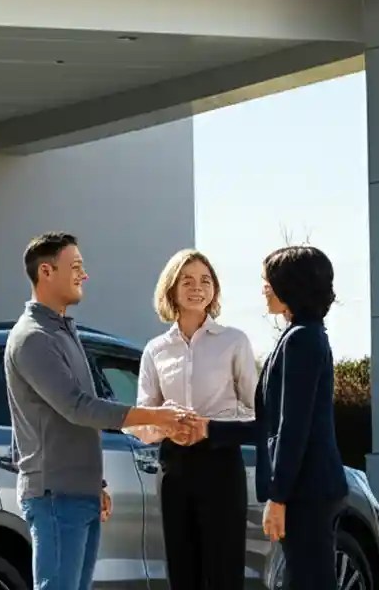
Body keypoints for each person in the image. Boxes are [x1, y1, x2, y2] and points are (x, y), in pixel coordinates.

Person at [5, 232, 198, 590]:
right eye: (75, 266)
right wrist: (156, 416)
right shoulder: (33, 338)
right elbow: (78, 407)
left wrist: (95, 484)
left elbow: (74, 420)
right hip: (55, 497)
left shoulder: (62, 331)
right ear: (46, 271)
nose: (84, 274)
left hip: (78, 494)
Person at [197, 245, 350, 590]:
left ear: (290, 285)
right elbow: (271, 425)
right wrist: (209, 430)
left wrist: (278, 497)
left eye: (269, 280)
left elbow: (292, 428)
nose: (264, 287)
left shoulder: (302, 341)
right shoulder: (303, 336)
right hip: (308, 489)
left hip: (306, 493)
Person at [130, 249, 257, 590]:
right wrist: (167, 425)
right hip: (174, 468)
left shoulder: (234, 342)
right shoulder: (155, 350)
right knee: (182, 573)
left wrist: (210, 428)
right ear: (171, 289)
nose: (197, 287)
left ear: (214, 289)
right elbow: (143, 415)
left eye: (205, 280)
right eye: (187, 281)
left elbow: (256, 412)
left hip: (221, 467)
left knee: (224, 572)